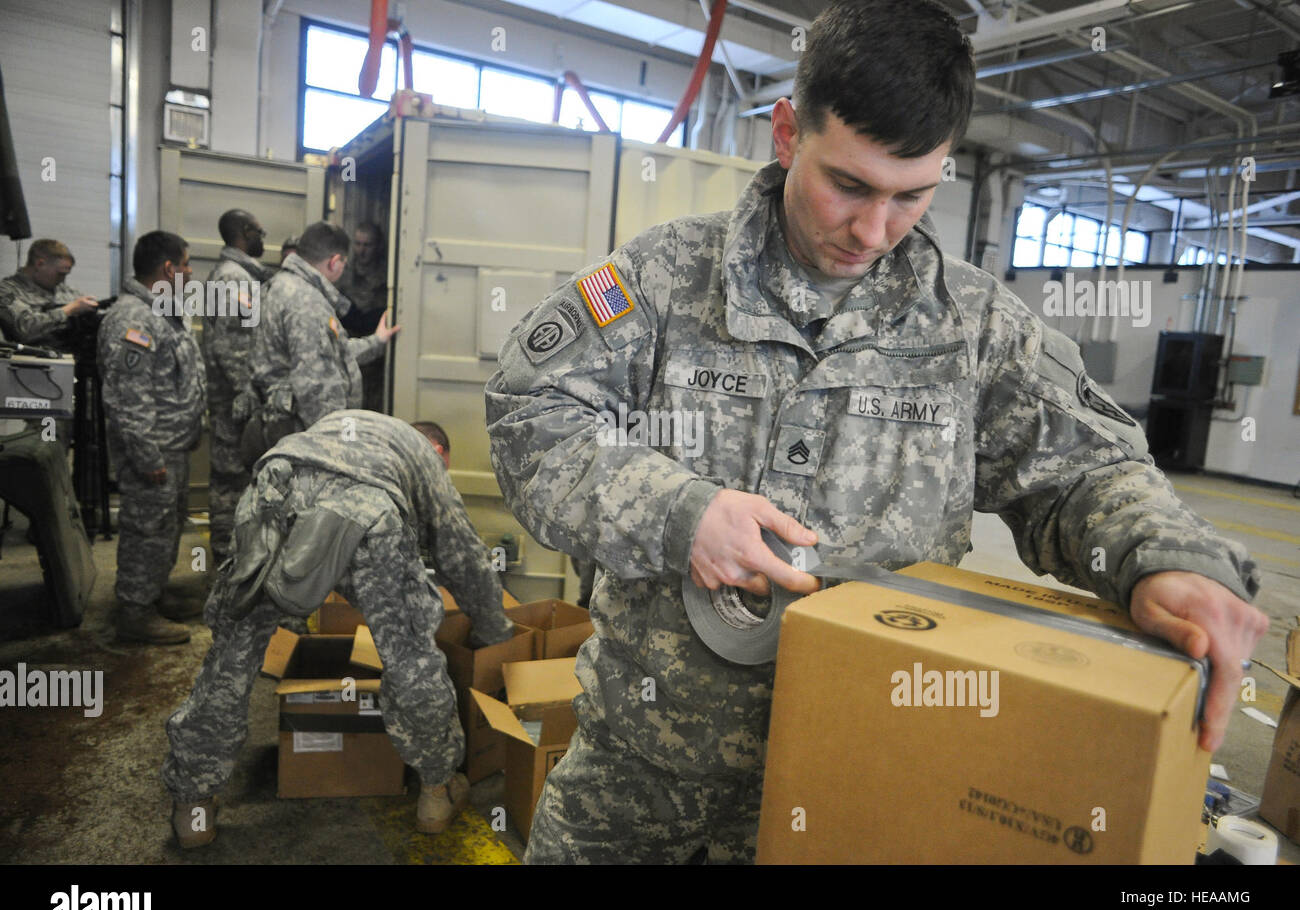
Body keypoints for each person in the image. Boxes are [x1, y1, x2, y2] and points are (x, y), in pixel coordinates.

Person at [484, 0, 1269, 864]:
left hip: (863, 780)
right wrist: (680, 513)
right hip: (634, 785)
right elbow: (532, 413)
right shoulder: (662, 280)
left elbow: (1085, 471)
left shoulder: (973, 326)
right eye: (849, 184)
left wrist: (1162, 557)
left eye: (912, 196)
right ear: (788, 132)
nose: (873, 231)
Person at [161, 410, 515, 848]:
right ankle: (436, 794)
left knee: (230, 660)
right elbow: (463, 558)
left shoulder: (342, 426)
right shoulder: (425, 460)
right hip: (367, 518)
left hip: (270, 495)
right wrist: (493, 630)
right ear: (437, 451)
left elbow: (310, 530)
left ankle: (193, 809)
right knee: (410, 658)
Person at [98, 231, 206, 644]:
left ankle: (151, 596)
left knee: (165, 528)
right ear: (167, 269)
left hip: (170, 446)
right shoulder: (133, 319)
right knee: (147, 529)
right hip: (153, 450)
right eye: (186, 264)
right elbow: (127, 397)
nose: (190, 271)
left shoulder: (160, 312)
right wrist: (148, 456)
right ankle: (135, 613)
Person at [242, 221, 398, 458]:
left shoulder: (277, 286)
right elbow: (317, 387)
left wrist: (377, 341)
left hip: (276, 427)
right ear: (335, 262)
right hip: (303, 439)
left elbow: (333, 351)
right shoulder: (308, 304)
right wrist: (338, 447)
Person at [204, 209, 275, 566]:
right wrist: (248, 396)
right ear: (246, 232)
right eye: (261, 231)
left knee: (231, 482)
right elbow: (230, 349)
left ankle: (229, 562)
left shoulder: (234, 276)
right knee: (231, 485)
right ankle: (227, 563)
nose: (265, 238)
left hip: (233, 401)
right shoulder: (234, 280)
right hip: (236, 404)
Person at [0, 239, 99, 348]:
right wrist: (68, 310)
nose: (63, 280)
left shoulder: (63, 290)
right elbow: (24, 330)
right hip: (30, 360)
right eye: (60, 274)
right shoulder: (8, 291)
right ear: (40, 264)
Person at [334, 222, 389, 412]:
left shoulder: (387, 276)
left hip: (376, 361)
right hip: (348, 353)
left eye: (367, 245)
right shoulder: (341, 273)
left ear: (378, 246)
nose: (361, 250)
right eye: (357, 244)